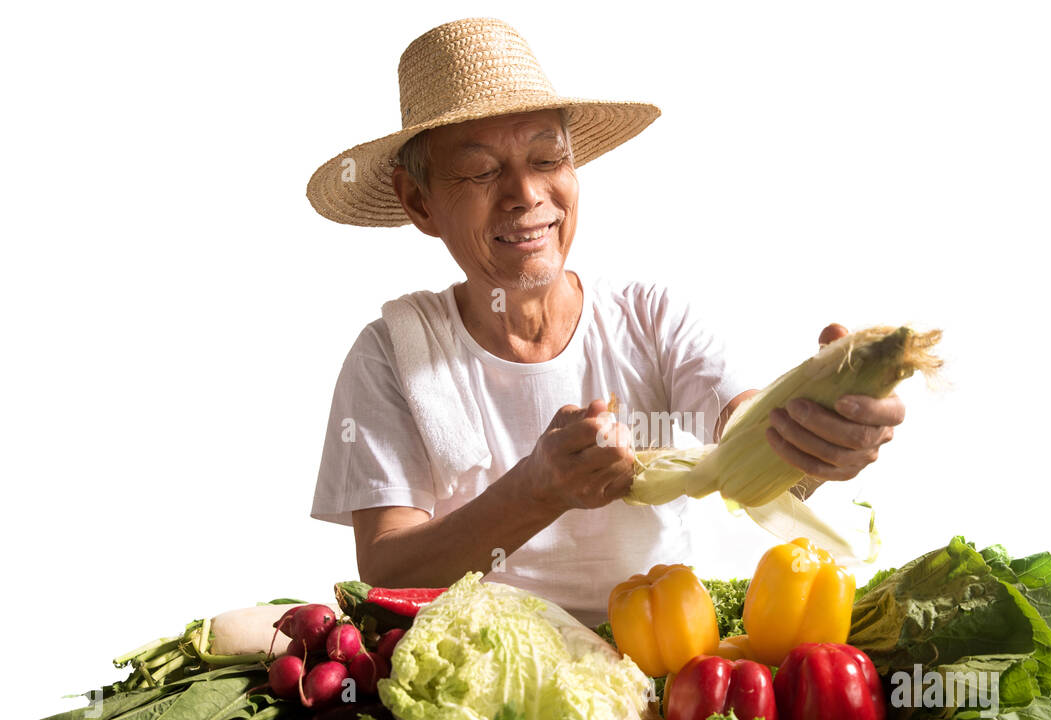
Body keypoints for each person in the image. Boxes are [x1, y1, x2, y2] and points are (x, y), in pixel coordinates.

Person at [307, 18, 904, 627]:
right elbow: (387, 571)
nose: (526, 194)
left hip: (659, 656)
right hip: (487, 668)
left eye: (547, 159)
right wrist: (538, 489)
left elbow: (747, 441)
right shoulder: (394, 353)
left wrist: (823, 424)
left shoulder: (650, 318)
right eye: (482, 171)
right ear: (419, 202)